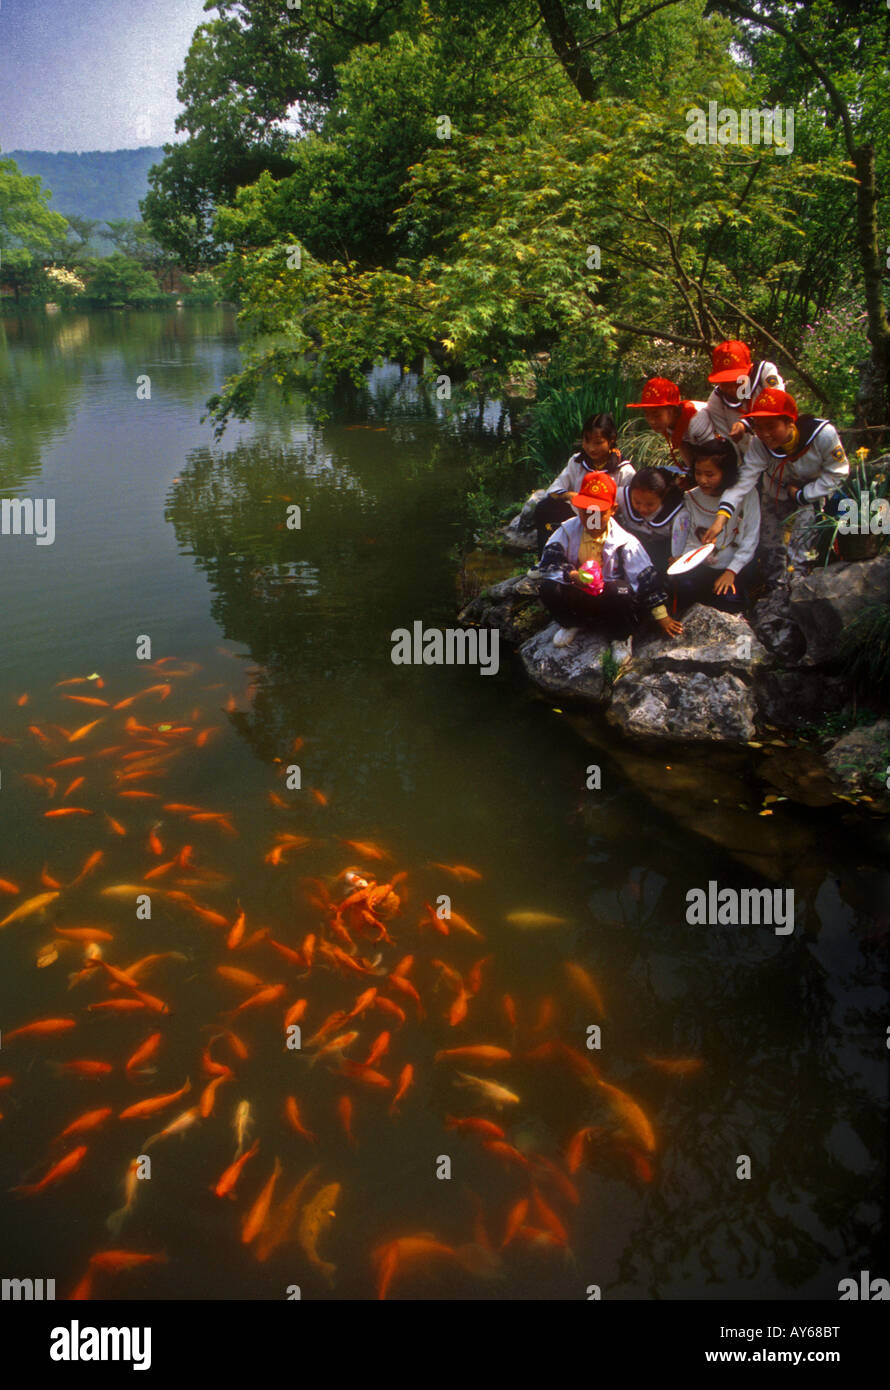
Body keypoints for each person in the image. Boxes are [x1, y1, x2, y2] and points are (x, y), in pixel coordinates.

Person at [702, 387, 849, 580]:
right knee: (769, 546)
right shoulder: (758, 443)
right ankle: (774, 590)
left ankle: (798, 589)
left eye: (771, 426)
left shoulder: (822, 435)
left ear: (790, 422)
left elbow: (838, 472)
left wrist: (803, 494)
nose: (764, 434)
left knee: (802, 549)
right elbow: (744, 480)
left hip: (810, 495)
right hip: (775, 493)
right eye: (758, 426)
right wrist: (721, 519)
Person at [534, 470, 683, 660]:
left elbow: (646, 579)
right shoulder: (567, 530)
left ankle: (621, 636)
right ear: (578, 509)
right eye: (586, 512)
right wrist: (572, 576)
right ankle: (572, 622)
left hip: (610, 600)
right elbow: (548, 564)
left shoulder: (626, 542)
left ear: (613, 509)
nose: (592, 519)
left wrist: (662, 615)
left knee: (620, 591)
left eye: (598, 513)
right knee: (548, 587)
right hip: (579, 593)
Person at [670, 438, 760, 613]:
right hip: (702, 566)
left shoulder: (747, 495)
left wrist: (731, 572)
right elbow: (691, 537)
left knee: (729, 599)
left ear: (726, 473)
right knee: (683, 588)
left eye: (710, 474)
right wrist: (683, 560)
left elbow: (751, 537)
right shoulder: (691, 497)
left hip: (734, 566)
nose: (703, 480)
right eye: (698, 473)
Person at [534, 412, 635, 555]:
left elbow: (629, 508)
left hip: (607, 523)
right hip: (579, 516)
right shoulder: (577, 462)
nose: (591, 448)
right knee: (544, 508)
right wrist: (569, 496)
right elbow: (554, 489)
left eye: (598, 442)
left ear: (611, 440)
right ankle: (547, 559)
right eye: (586, 441)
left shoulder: (624, 470)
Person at [686, 340, 785, 451]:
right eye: (725, 383)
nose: (732, 389)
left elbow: (778, 402)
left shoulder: (765, 372)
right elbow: (729, 441)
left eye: (738, 381)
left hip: (782, 446)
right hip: (751, 458)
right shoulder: (716, 400)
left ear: (749, 370)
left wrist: (746, 424)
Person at [625, 377, 706, 472]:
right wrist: (692, 473)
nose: (651, 421)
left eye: (656, 415)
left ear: (674, 411)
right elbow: (682, 444)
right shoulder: (669, 422)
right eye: (647, 414)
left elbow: (712, 452)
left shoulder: (695, 420)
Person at [616, 467, 686, 573]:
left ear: (662, 497)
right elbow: (596, 505)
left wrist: (678, 559)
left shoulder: (678, 514)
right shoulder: (621, 496)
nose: (643, 509)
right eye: (637, 502)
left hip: (662, 555)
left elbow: (679, 549)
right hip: (630, 552)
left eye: (650, 504)